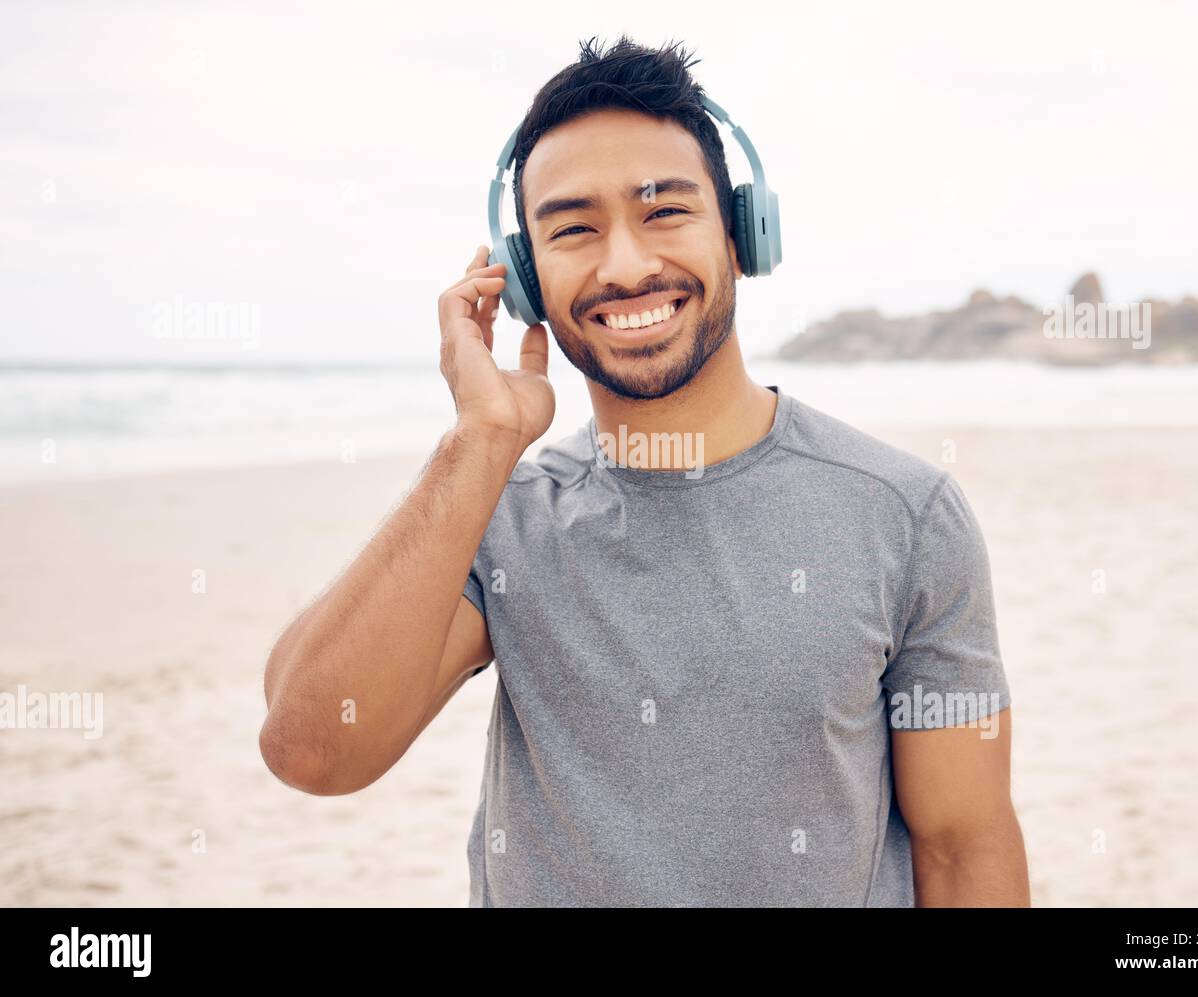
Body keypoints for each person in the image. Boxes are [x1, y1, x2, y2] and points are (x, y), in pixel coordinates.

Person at [259, 34, 1029, 907]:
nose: (625, 265)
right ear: (522, 280)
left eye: (665, 212)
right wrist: (478, 441)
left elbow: (964, 848)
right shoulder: (495, 511)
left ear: (742, 235)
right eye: (574, 229)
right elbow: (312, 749)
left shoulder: (906, 514)